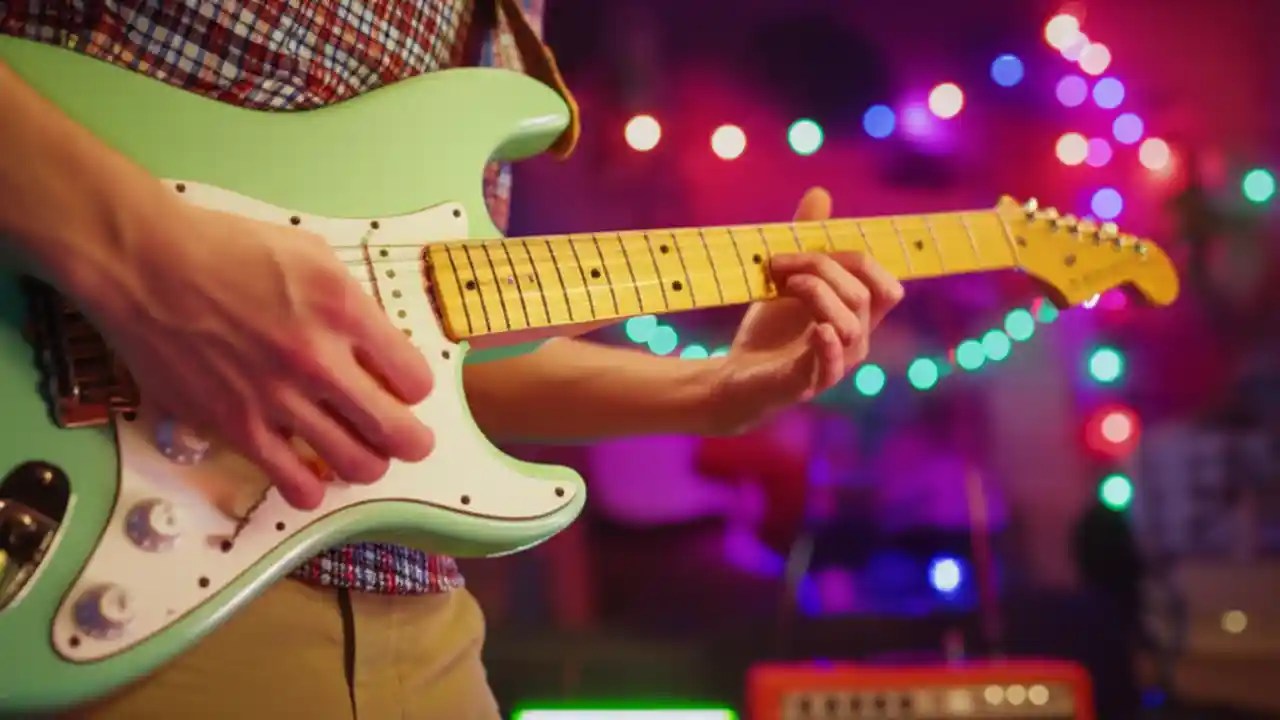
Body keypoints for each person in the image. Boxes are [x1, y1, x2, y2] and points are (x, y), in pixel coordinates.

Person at [0, 2, 904, 718]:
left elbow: (425, 363)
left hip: (415, 624)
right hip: (119, 585)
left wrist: (716, 391)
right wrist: (151, 261)